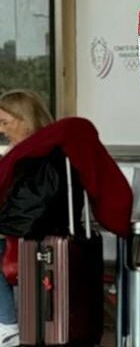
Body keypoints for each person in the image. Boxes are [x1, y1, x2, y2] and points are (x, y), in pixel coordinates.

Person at [0, 90, 54, 347]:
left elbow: (31, 205)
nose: (2, 130)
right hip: (25, 226)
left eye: (6, 123)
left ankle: (6, 324)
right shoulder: (27, 153)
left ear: (25, 120)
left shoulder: (38, 156)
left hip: (36, 231)